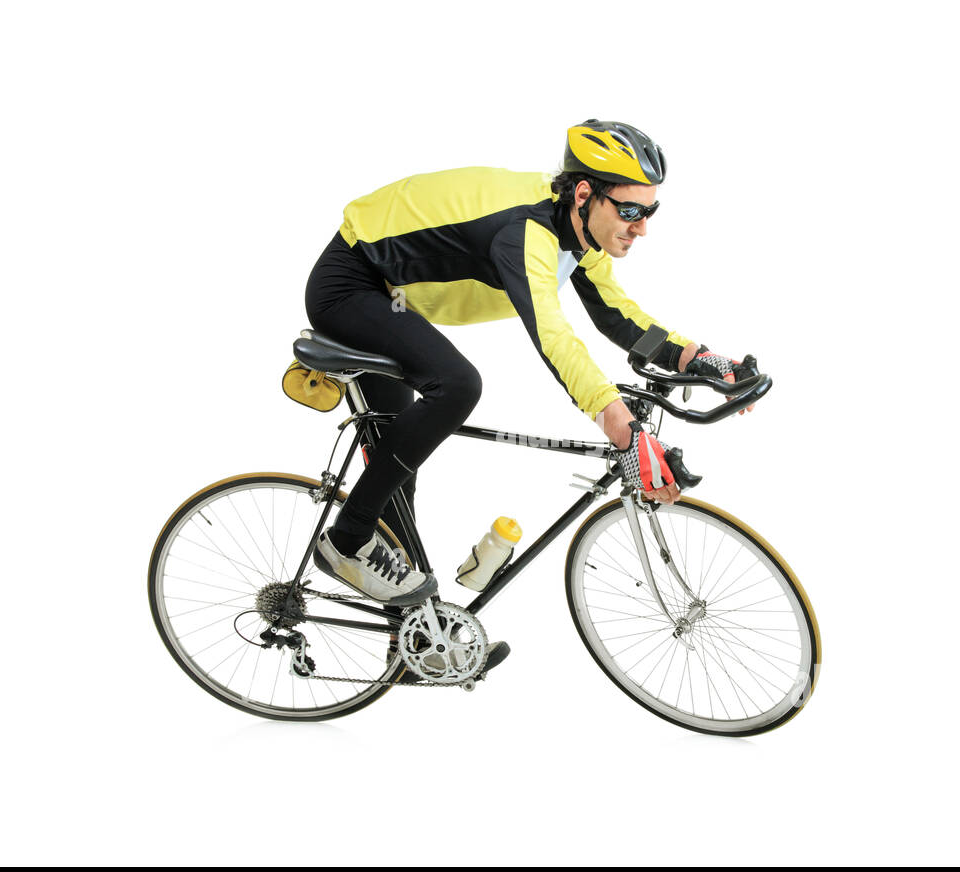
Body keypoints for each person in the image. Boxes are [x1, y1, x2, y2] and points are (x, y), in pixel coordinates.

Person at [304, 119, 752, 617]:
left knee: (396, 494)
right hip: (352, 286)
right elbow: (553, 336)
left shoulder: (578, 229)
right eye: (630, 211)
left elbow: (618, 316)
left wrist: (704, 361)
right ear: (586, 193)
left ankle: (412, 645)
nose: (642, 227)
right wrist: (622, 428)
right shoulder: (526, 233)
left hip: (395, 301)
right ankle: (345, 539)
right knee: (457, 386)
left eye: (650, 211)